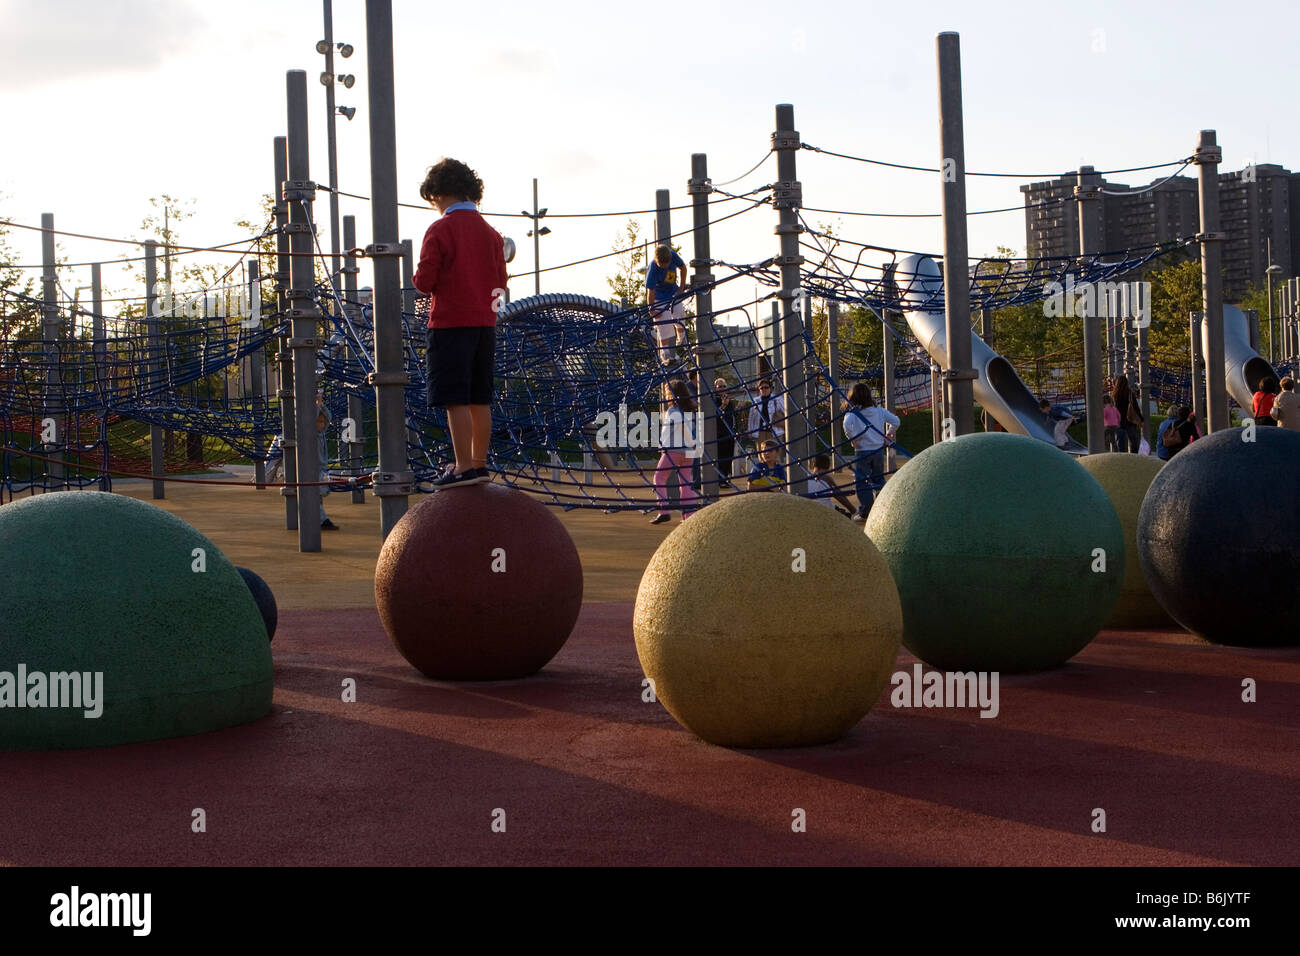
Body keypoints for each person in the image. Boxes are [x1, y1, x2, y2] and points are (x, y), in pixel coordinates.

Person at [412, 158, 509, 489]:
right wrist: (490, 313)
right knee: (480, 397)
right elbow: (501, 283)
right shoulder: (492, 235)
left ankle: (462, 465)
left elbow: (425, 281)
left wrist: (417, 277)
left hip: (450, 322)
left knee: (455, 397)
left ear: (439, 194)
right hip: (485, 324)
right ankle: (479, 463)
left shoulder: (440, 230)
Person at [842, 383, 899, 523]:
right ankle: (884, 507)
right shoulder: (879, 411)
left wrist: (853, 438)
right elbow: (896, 421)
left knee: (862, 482)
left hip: (862, 452)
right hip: (878, 451)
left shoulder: (853, 413)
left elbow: (846, 424)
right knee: (878, 479)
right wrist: (889, 434)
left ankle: (865, 512)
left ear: (853, 398)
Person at [650, 379, 698, 524]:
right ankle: (689, 515)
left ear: (672, 394)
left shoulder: (673, 410)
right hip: (688, 452)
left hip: (674, 450)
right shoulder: (691, 409)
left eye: (667, 392)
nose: (665, 395)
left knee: (659, 478)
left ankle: (664, 510)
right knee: (686, 483)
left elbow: (682, 426)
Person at [645, 245, 688, 359]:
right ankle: (665, 355)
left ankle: (681, 338)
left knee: (679, 313)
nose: (664, 267)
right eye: (662, 265)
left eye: (667, 265)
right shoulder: (653, 268)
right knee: (664, 323)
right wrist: (652, 309)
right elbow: (650, 291)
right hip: (658, 297)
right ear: (656, 261)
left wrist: (681, 287)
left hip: (672, 291)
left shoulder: (673, 255)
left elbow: (683, 268)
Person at [316, 391, 338, 530]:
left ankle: (321, 519)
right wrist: (316, 405)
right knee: (316, 492)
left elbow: (328, 417)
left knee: (320, 493)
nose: (322, 425)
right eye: (319, 422)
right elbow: (310, 417)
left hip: (320, 467)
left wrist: (321, 404)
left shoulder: (321, 433)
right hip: (311, 467)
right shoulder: (310, 433)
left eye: (323, 423)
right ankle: (322, 520)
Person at [713, 377, 740, 487]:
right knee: (721, 457)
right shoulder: (714, 399)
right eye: (720, 386)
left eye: (724, 386)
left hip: (730, 433)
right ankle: (720, 479)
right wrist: (723, 405)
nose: (723, 388)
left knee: (729, 457)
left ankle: (725, 478)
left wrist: (737, 409)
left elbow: (731, 416)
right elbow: (715, 415)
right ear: (715, 388)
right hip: (720, 433)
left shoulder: (729, 400)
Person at [746, 378, 785, 451]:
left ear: (770, 388)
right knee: (762, 453)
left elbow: (785, 411)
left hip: (775, 431)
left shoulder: (777, 399)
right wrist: (750, 430)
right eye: (761, 388)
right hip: (760, 432)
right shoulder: (755, 401)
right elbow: (751, 417)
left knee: (775, 453)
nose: (764, 389)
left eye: (766, 387)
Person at [1111, 374, 1143, 453]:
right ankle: (1133, 458)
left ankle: (1122, 459)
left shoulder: (1114, 395)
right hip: (1130, 420)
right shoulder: (1129, 393)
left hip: (1118, 422)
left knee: (1120, 443)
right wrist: (1141, 419)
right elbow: (1135, 407)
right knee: (1133, 442)